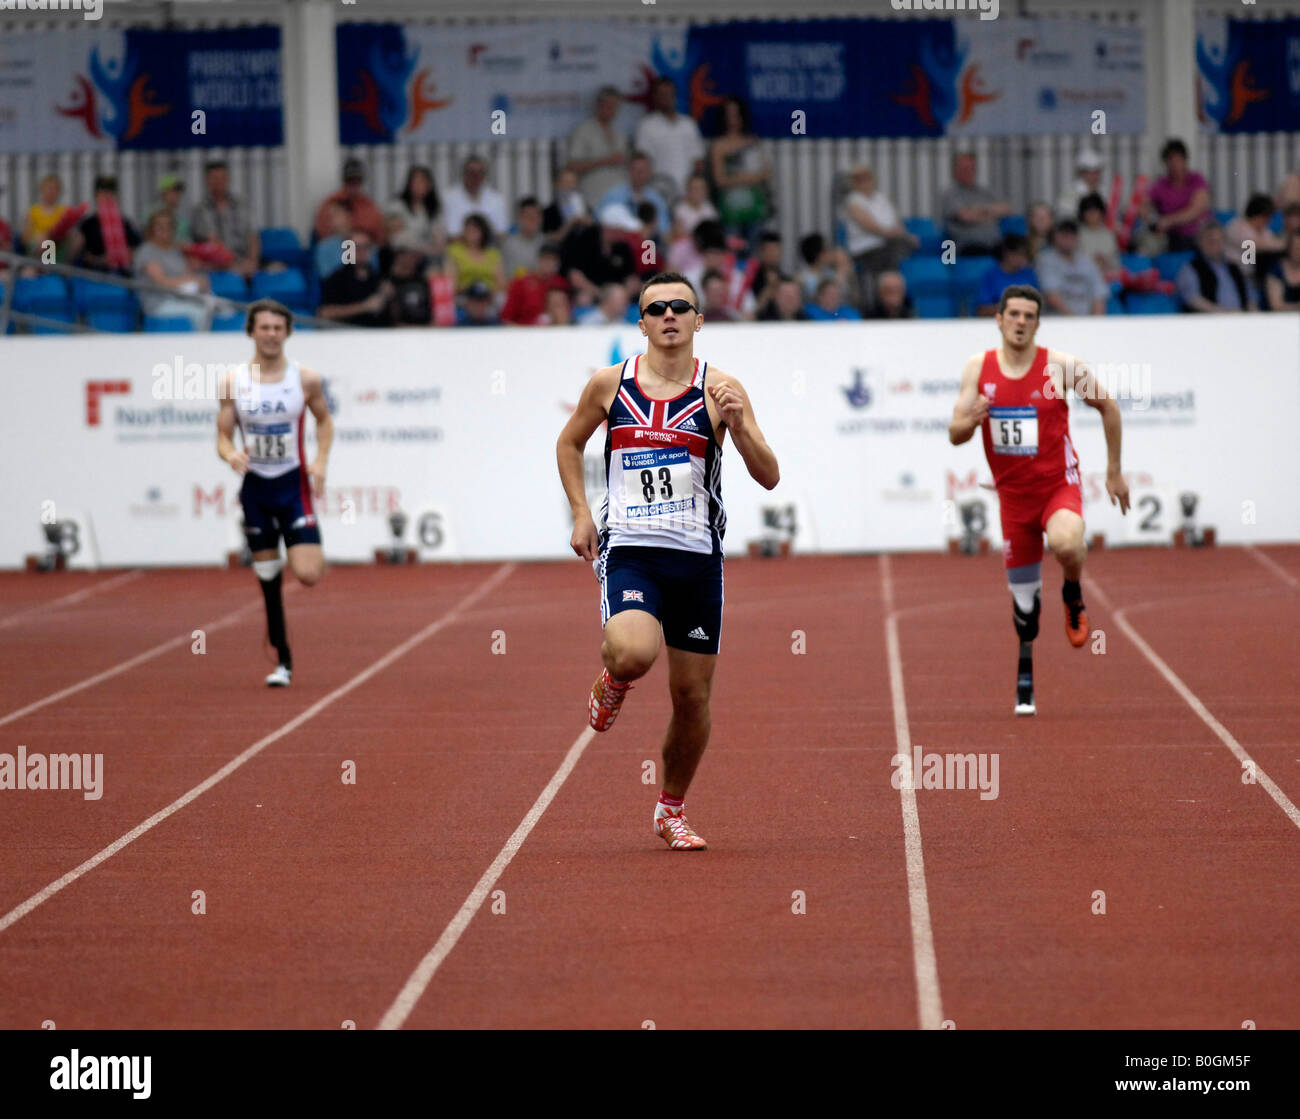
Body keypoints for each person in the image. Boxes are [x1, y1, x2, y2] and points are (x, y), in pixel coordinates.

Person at [556, 271, 780, 850]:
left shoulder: (721, 388)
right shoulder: (611, 385)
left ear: (699, 320)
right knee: (633, 651)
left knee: (692, 698)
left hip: (698, 560)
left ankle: (670, 809)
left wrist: (737, 425)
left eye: (682, 307)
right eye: (657, 309)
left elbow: (769, 474)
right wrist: (582, 511)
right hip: (631, 550)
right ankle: (615, 677)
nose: (670, 316)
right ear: (643, 324)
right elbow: (568, 442)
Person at [948, 284, 1130, 716]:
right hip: (1013, 500)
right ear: (999, 318)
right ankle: (1024, 671)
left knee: (1067, 542)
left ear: (1038, 323)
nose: (1020, 322)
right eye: (1013, 314)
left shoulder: (1061, 367)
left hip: (1057, 487)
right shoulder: (979, 367)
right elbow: (954, 434)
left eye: (1029, 316)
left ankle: (1072, 591)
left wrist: (1114, 471)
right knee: (1025, 607)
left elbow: (1109, 408)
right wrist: (971, 422)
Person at [216, 299, 332, 687]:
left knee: (308, 573)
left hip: (293, 485)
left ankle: (298, 544)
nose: (270, 335)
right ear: (251, 331)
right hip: (256, 491)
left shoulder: (305, 379)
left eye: (277, 329)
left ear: (288, 333)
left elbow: (324, 420)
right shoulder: (234, 382)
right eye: (264, 328)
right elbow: (222, 436)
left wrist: (321, 461)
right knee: (268, 579)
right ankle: (283, 659)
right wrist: (231, 454)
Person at [842, 165, 917, 300]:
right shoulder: (853, 200)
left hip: (888, 244)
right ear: (854, 182)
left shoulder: (881, 197)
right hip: (865, 250)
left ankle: (897, 295)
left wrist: (904, 234)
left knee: (902, 249)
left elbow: (897, 220)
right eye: (860, 179)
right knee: (894, 253)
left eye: (867, 178)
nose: (865, 182)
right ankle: (890, 296)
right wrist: (894, 234)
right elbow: (870, 226)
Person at [708, 96, 771, 249]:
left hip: (754, 208)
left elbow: (766, 173)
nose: (733, 119)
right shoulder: (719, 145)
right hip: (730, 210)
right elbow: (720, 180)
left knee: (754, 254)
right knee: (731, 254)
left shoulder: (753, 141)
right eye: (729, 114)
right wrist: (750, 178)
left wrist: (737, 178)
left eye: (736, 114)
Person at [134, 210, 213, 330]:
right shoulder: (146, 251)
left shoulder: (175, 251)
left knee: (220, 308)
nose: (164, 230)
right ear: (151, 229)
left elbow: (189, 274)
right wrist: (189, 281)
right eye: (160, 226)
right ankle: (200, 347)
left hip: (183, 298)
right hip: (159, 302)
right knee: (200, 313)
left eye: (168, 226)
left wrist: (199, 282)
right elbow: (161, 281)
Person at [634, 78, 705, 200]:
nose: (666, 98)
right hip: (659, 193)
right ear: (655, 97)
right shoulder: (647, 125)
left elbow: (698, 162)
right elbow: (642, 163)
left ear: (675, 95)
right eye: (661, 94)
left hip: (688, 194)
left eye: (669, 94)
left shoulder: (689, 124)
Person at [192, 160, 261, 277]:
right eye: (215, 178)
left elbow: (253, 236)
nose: (219, 182)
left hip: (246, 260)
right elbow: (212, 242)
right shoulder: (200, 209)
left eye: (222, 178)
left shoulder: (241, 204)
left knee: (279, 269)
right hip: (218, 263)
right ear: (207, 181)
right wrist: (235, 263)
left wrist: (253, 261)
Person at [1143, 138, 1212, 253]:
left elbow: (1196, 209)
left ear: (1185, 160)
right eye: (1170, 160)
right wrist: (1153, 219)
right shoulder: (1161, 184)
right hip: (1171, 236)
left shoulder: (1197, 180)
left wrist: (1168, 221)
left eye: (1177, 159)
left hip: (1196, 234)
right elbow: (1144, 205)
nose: (1174, 164)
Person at [567, 85, 630, 211]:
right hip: (595, 199)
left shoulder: (620, 133)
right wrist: (605, 161)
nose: (610, 109)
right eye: (607, 105)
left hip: (620, 198)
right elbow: (572, 165)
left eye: (614, 106)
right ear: (598, 106)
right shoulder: (584, 131)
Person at [940, 151, 1012, 256]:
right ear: (955, 170)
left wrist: (979, 211)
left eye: (971, 168)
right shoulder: (951, 194)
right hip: (968, 246)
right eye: (964, 169)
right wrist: (990, 214)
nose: (968, 172)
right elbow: (965, 217)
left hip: (995, 244)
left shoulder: (984, 191)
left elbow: (1007, 208)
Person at [317, 228, 392, 326]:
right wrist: (363, 307)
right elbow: (324, 313)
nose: (361, 251)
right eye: (356, 247)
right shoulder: (336, 279)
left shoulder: (379, 278)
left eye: (366, 247)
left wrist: (389, 297)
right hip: (349, 335)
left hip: (380, 335)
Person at [1176, 222, 1255, 313]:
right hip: (1209, 321)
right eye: (1211, 241)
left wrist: (1251, 316)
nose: (1215, 245)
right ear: (1199, 242)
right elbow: (1192, 299)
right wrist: (1224, 314)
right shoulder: (1190, 268)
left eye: (1219, 240)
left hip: (1241, 320)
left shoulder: (1235, 267)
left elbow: (1251, 297)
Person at [1036, 219, 1110, 316]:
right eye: (1064, 236)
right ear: (1056, 237)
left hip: (1087, 320)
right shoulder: (1046, 260)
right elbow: (1052, 296)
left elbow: (1099, 295)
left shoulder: (1087, 261)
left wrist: (1095, 323)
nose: (1068, 240)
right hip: (1058, 320)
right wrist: (1075, 321)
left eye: (1072, 236)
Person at [76, 175, 142, 275]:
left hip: (123, 273)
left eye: (111, 192)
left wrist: (129, 255)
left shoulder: (124, 222)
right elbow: (81, 255)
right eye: (103, 192)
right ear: (96, 195)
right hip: (96, 275)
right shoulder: (88, 224)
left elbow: (137, 247)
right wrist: (100, 260)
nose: (107, 196)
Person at [313, 158, 386, 246]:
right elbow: (322, 231)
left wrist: (355, 232)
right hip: (338, 247)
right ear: (344, 181)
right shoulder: (331, 202)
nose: (354, 185)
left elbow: (379, 235)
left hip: (364, 248)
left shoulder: (369, 205)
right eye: (350, 181)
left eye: (357, 180)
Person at [597, 152, 669, 240]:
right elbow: (599, 222)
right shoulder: (613, 196)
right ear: (629, 171)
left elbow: (664, 230)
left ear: (649, 173)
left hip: (647, 245)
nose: (639, 174)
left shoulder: (657, 200)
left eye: (643, 170)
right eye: (635, 169)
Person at [440, 155, 509, 239]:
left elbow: (501, 233)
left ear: (485, 175)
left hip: (488, 248)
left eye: (480, 172)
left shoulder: (497, 199)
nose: (476, 176)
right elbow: (448, 233)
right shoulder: (448, 198)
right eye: (472, 172)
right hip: (457, 247)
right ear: (464, 174)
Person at [501, 242, 568, 326]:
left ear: (557, 263)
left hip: (554, 333)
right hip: (524, 333)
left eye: (553, 260)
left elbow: (567, 317)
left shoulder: (561, 284)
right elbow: (506, 319)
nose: (549, 263)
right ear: (539, 259)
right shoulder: (521, 283)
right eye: (546, 259)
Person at [386, 165, 444, 258]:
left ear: (429, 185)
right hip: (402, 255)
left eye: (422, 182)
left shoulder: (434, 209)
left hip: (426, 256)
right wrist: (422, 248)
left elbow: (439, 239)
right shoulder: (397, 205)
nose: (418, 185)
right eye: (415, 182)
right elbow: (397, 237)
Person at [976, 234, 1038, 316]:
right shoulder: (990, 276)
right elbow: (982, 311)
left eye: (1025, 255)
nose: (1023, 259)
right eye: (1019, 254)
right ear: (1007, 254)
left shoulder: (1028, 274)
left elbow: (1037, 304)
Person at [444, 214, 504, 298]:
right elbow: (451, 282)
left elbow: (500, 284)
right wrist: (471, 291)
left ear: (483, 232)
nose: (471, 234)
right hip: (464, 296)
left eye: (475, 231)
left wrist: (486, 293)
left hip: (489, 297)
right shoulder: (455, 251)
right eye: (468, 230)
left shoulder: (493, 254)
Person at [1055, 149, 1106, 221]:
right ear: (1081, 173)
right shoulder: (1070, 193)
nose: (1094, 176)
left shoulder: (1103, 190)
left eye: (1096, 172)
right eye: (1089, 172)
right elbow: (1065, 217)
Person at [502, 197, 545, 280]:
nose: (533, 220)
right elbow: (505, 274)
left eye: (536, 217)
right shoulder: (509, 243)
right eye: (529, 217)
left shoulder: (546, 243)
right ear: (520, 218)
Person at [1265, 232, 1300, 312]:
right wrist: (1297, 307)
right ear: (1288, 249)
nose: (1298, 252)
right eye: (1296, 248)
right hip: (1278, 320)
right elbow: (1276, 306)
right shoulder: (1276, 270)